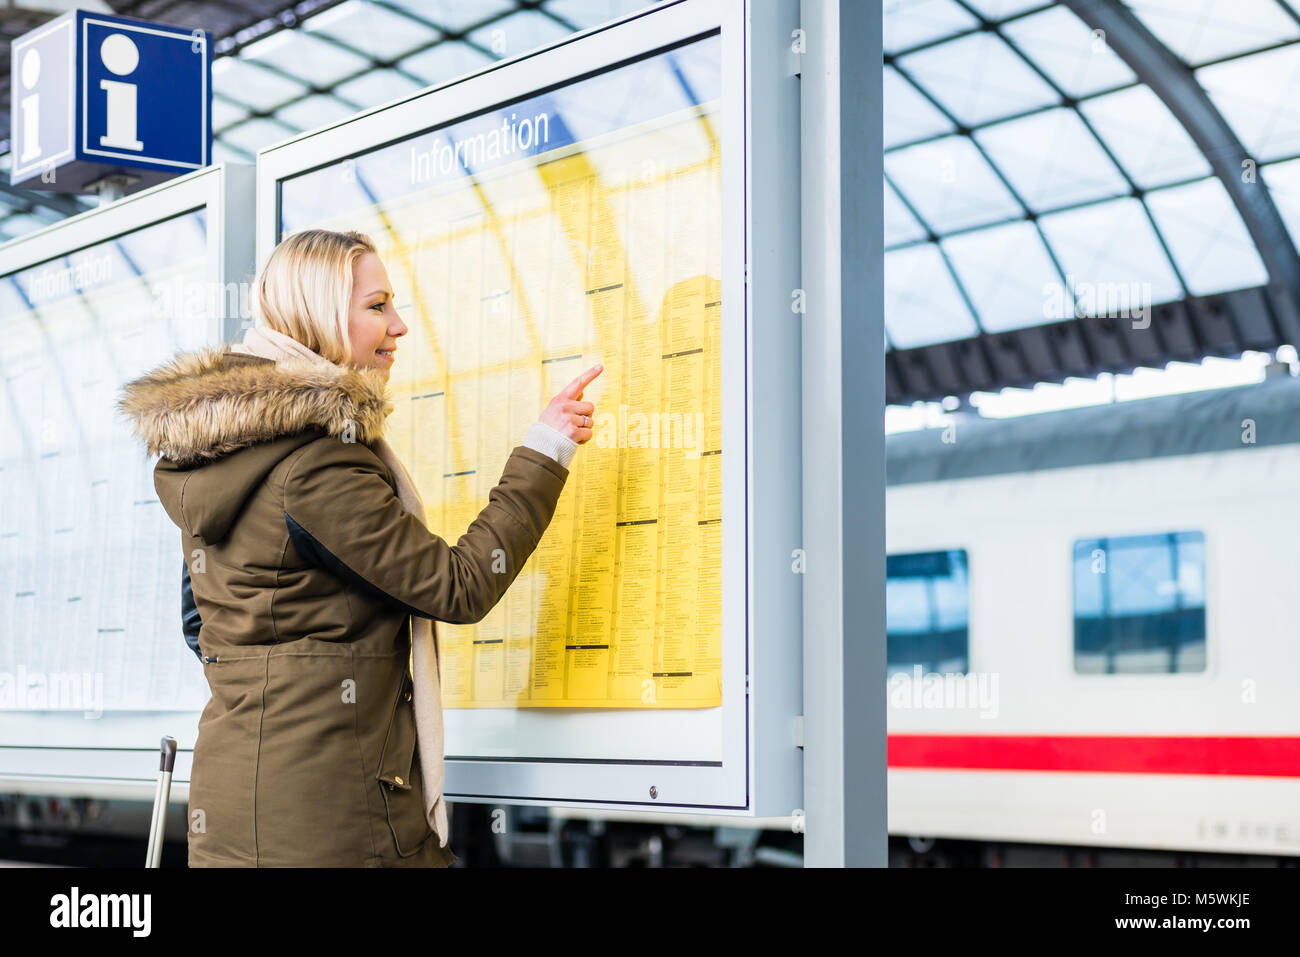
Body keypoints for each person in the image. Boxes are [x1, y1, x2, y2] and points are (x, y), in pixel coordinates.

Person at [117, 228, 602, 867]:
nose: (399, 326)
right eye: (376, 307)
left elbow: (198, 624)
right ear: (318, 315)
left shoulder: (220, 452)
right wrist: (546, 450)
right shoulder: (316, 466)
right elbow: (459, 586)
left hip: (234, 806)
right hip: (331, 822)